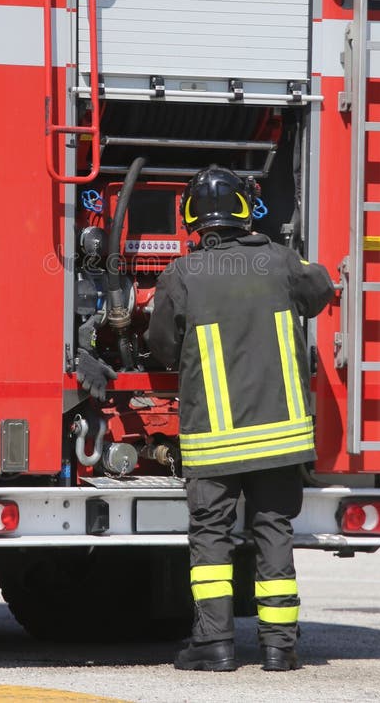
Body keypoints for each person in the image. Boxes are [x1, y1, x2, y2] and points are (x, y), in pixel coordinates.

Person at [148, 165, 334, 673]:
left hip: (214, 440)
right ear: (246, 210)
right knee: (274, 529)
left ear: (190, 217)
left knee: (211, 535)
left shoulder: (182, 274)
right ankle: (280, 647)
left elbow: (161, 346)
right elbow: (321, 289)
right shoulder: (281, 262)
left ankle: (215, 644)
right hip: (280, 436)